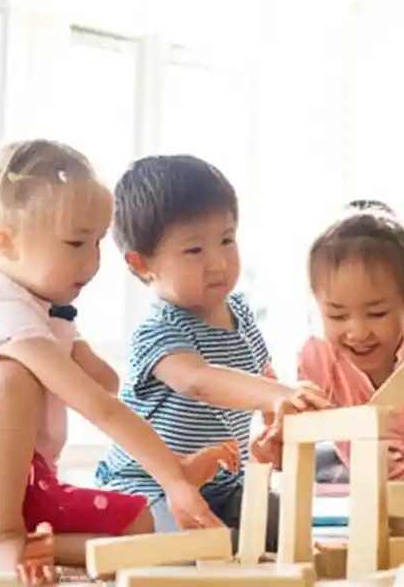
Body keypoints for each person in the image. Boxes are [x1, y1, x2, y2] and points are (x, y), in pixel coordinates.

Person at [0, 140, 223, 585]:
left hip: (24, 488)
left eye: (96, 243)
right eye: (75, 243)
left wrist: (166, 461)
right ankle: (1, 538)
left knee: (141, 526)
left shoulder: (44, 311)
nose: (92, 262)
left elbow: (109, 384)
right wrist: (169, 474)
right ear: (6, 242)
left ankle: (34, 545)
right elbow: (98, 404)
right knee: (14, 371)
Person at [95, 154, 331, 545]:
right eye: (194, 251)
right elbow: (198, 380)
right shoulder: (158, 330)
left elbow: (263, 384)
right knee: (187, 550)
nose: (219, 262)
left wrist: (278, 422)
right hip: (151, 486)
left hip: (225, 485)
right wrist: (282, 394)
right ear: (142, 265)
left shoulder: (240, 313)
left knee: (289, 530)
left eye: (226, 239)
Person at [254, 202, 404, 551]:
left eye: (377, 313)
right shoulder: (318, 357)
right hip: (373, 502)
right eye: (337, 315)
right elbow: (301, 431)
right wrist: (277, 439)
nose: (357, 331)